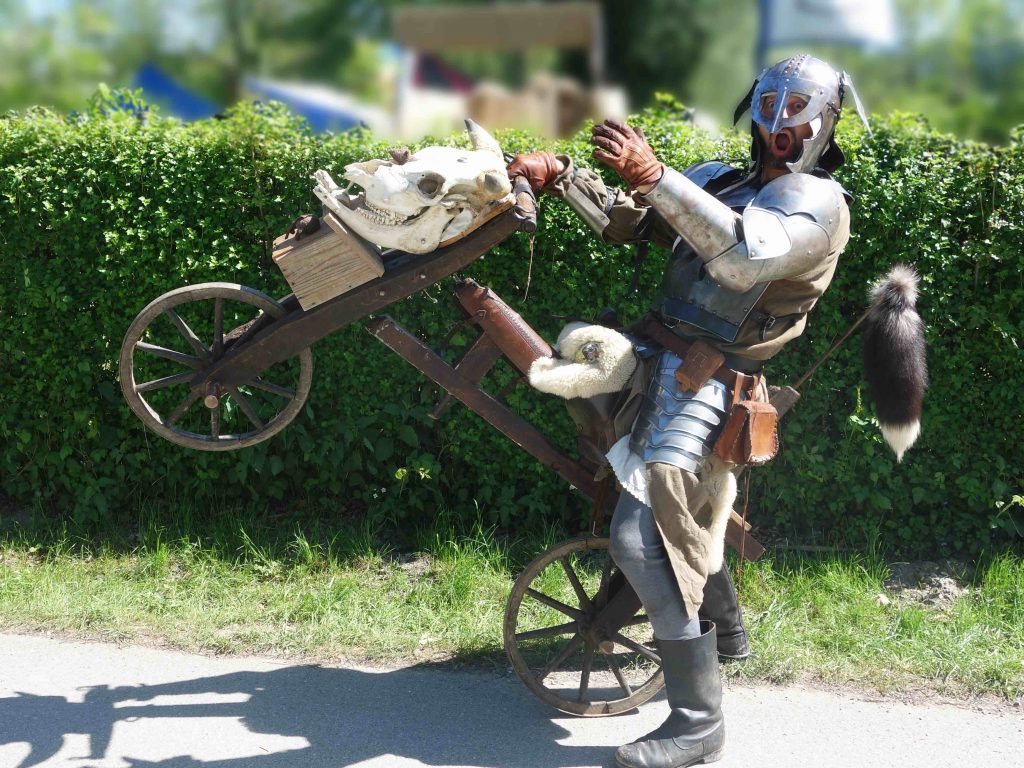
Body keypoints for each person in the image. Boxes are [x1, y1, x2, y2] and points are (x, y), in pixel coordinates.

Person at [508, 54, 866, 768]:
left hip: (712, 381)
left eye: (796, 112)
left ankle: (698, 720)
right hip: (653, 357)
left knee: (642, 534)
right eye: (771, 109)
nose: (778, 129)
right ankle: (724, 632)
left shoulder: (820, 204)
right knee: (662, 504)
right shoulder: (720, 179)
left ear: (824, 122)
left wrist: (655, 176)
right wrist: (566, 177)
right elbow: (630, 224)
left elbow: (742, 259)